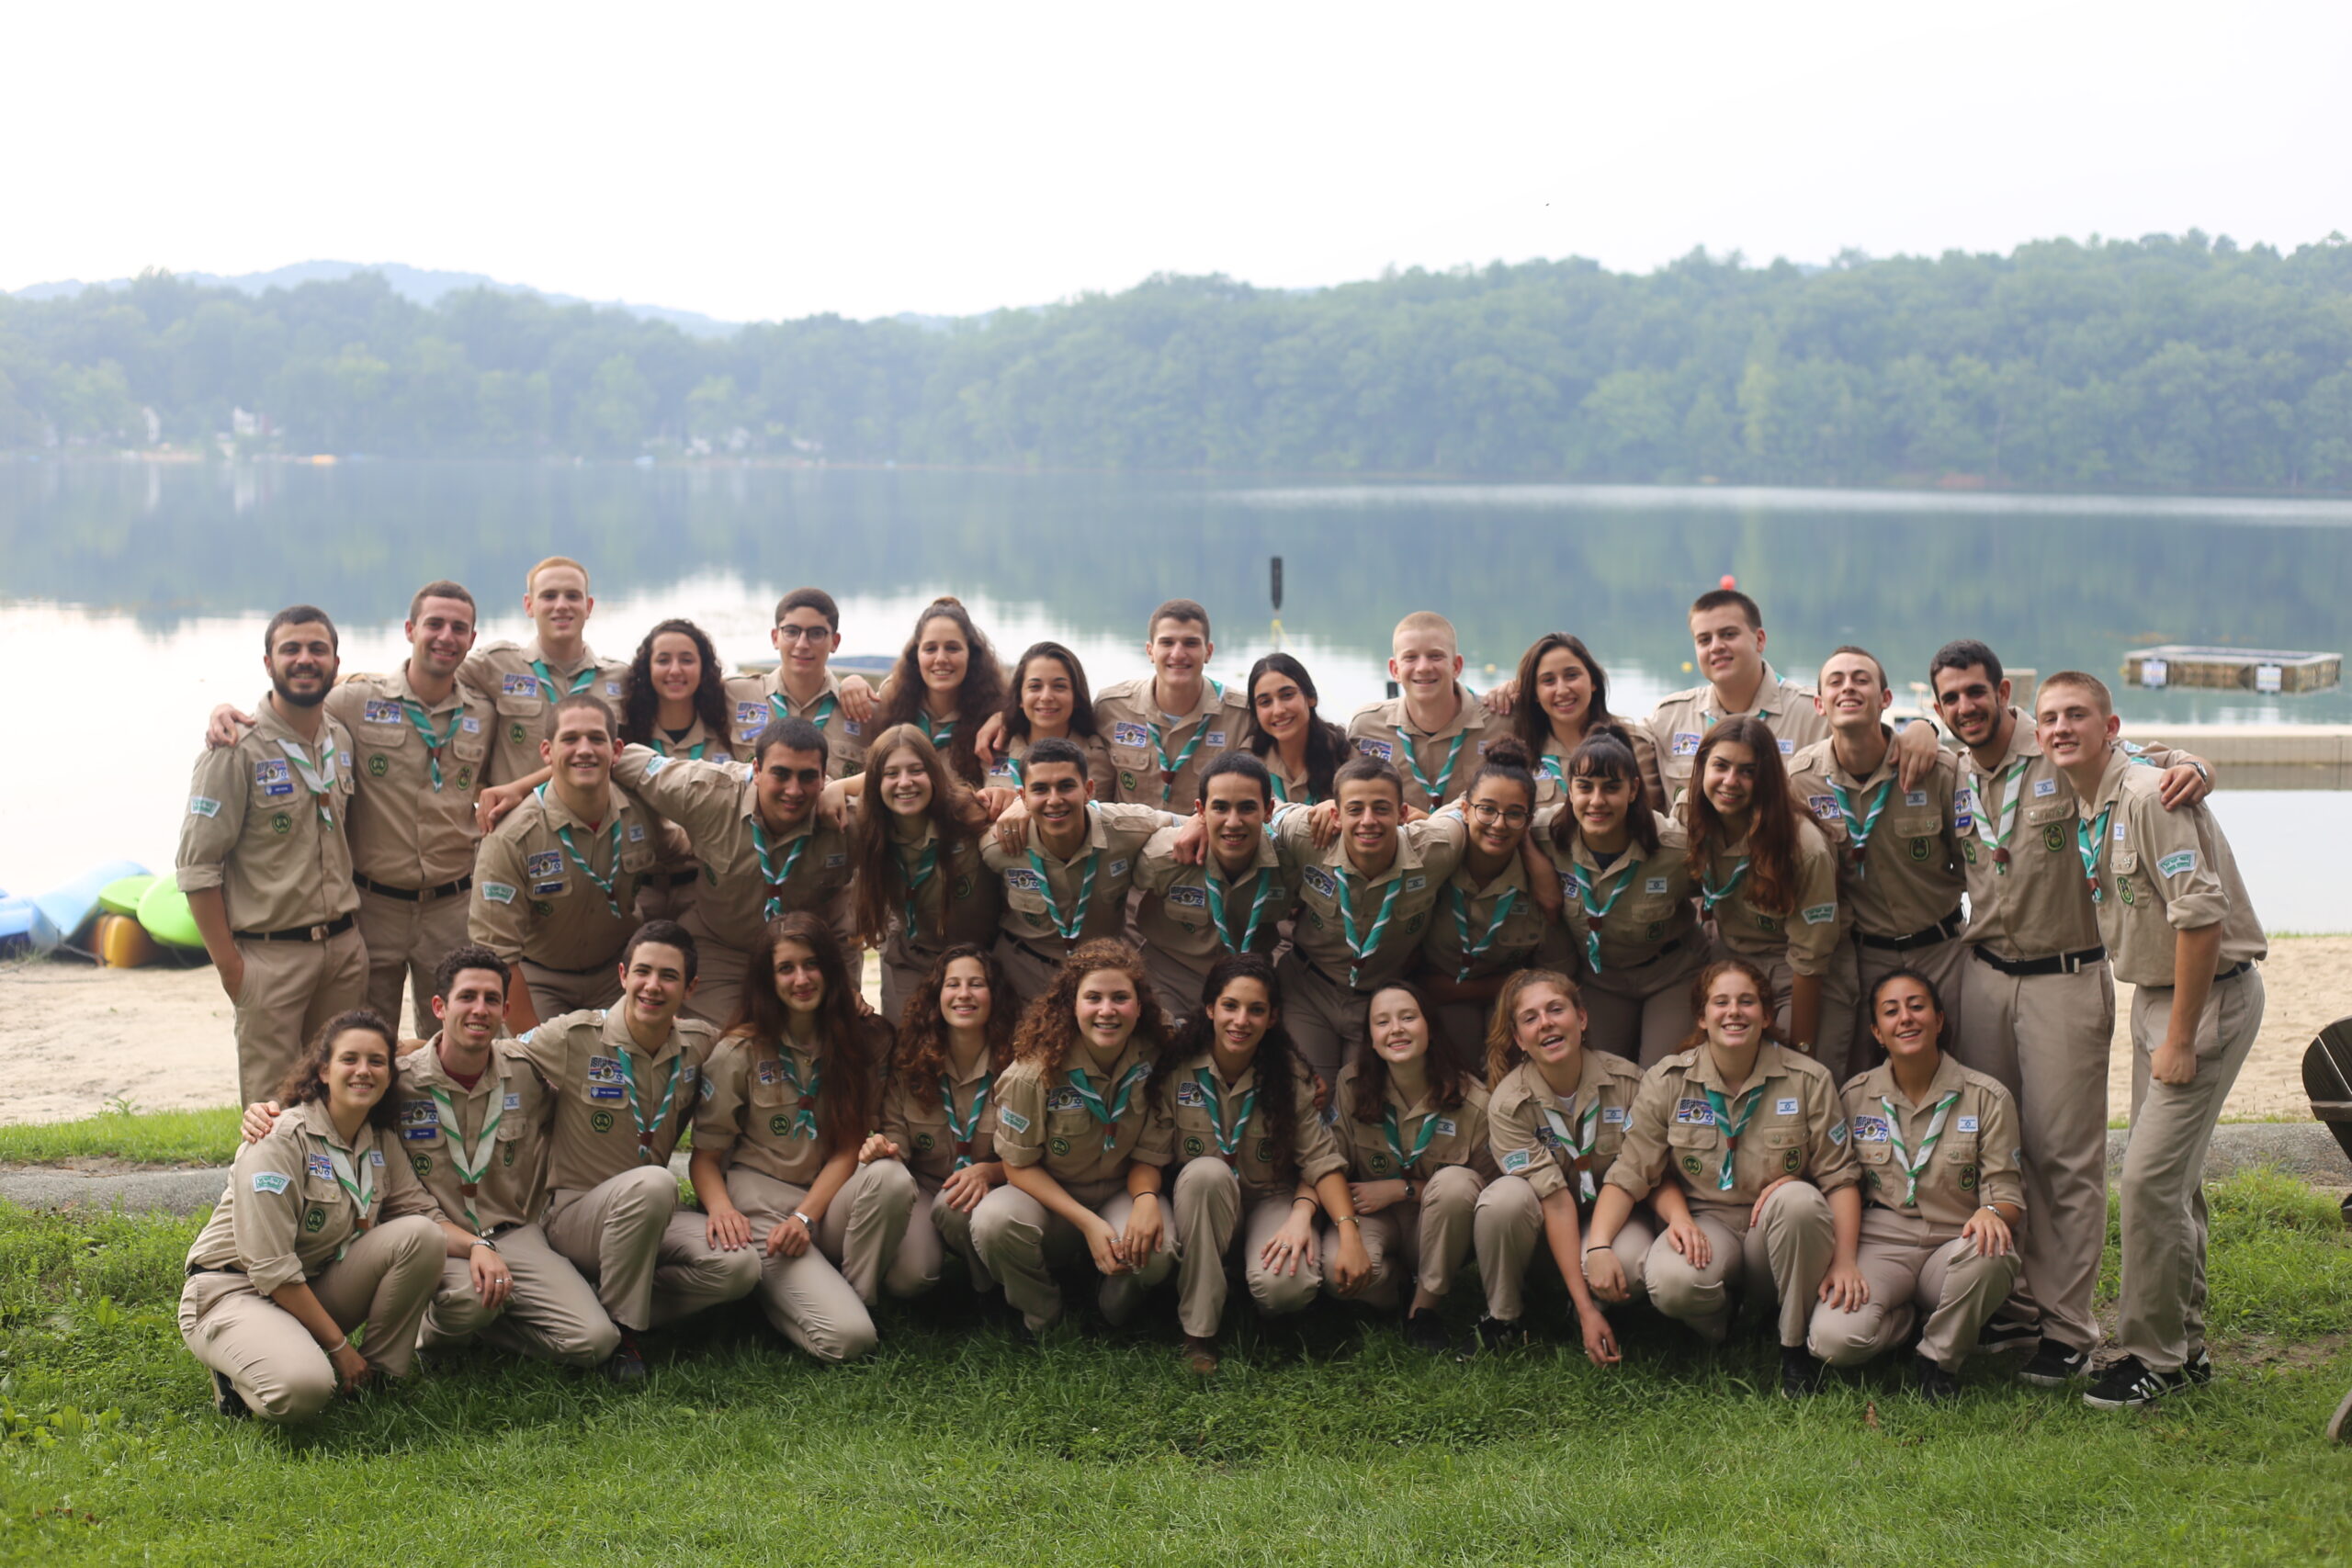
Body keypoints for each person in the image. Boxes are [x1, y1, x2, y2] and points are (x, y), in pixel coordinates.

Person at [1928, 638, 2212, 1390]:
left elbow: (2154, 762)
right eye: (1950, 698)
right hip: (1984, 977)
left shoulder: (2059, 744)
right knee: (1994, 1146)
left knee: (2064, 1158)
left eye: (1976, 692)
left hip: (2064, 975)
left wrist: (2197, 763)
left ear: (2004, 692)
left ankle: (2066, 1327)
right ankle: (2014, 1304)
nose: (1965, 707)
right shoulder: (1951, 769)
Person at [2038, 671, 2266, 1409]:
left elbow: (2201, 919)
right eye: (2050, 718)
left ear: (2110, 727)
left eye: (2077, 714)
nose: (2061, 727)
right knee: (2173, 1179)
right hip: (2157, 996)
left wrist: (2181, 1037)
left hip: (2204, 999)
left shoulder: (2144, 796)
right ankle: (2186, 1347)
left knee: (2146, 1181)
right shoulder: (2095, 791)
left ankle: (2152, 1356)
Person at [237, 945, 620, 1369]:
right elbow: (331, 1099)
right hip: (436, 1243)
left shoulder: (526, 1073)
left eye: (491, 999)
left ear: (506, 1010)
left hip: (514, 1233)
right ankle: (441, 1326)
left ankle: (490, 1327)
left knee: (594, 1341)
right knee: (470, 1302)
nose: (479, 1009)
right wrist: (268, 1111)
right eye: (467, 997)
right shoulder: (398, 1079)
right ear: (439, 1006)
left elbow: (580, 1121)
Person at [201, 584, 497, 1032]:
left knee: (451, 1039)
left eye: (459, 628)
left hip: (452, 907)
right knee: (365, 1039)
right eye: (434, 624)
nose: (445, 636)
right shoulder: (356, 702)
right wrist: (226, 712)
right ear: (410, 629)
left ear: (473, 639)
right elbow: (293, 703)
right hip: (373, 908)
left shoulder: (484, 713)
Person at [1584, 958, 1863, 1397]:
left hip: (1775, 1228)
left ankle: (1793, 1347)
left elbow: (1840, 1179)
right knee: (1671, 1281)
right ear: (1702, 1016)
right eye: (1721, 1002)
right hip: (1707, 1225)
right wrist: (1599, 1244)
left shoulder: (1807, 1079)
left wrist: (1845, 1259)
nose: (1734, 1011)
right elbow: (1632, 1173)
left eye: (1747, 1001)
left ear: (1766, 1015)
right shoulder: (1669, 1080)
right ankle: (1721, 1323)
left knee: (1799, 1201)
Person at [179, 1011, 447, 1421]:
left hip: (309, 1283)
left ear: (390, 1076)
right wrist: (339, 1347)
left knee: (422, 1235)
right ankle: (234, 1380)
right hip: (233, 1290)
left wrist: (482, 1247)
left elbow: (423, 1213)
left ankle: (376, 1379)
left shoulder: (379, 1140)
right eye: (349, 1059)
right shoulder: (278, 1137)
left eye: (377, 1061)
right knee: (303, 1391)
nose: (363, 1070)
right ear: (323, 1071)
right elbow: (270, 1269)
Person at [526, 922, 761, 1382]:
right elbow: (494, 1056)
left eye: (669, 976)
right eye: (643, 972)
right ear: (623, 975)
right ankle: (623, 1334)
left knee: (739, 1266)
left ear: (690, 988)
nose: (653, 985)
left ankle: (592, 1300)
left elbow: (757, 1046)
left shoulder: (699, 1045)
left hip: (654, 1214)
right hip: (574, 1216)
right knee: (655, 1182)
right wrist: (415, 1051)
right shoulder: (574, 1036)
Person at [692, 915, 910, 1364]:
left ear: (831, 968)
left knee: (890, 1177)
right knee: (848, 1341)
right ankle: (779, 1293)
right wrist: (722, 1209)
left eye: (811, 964)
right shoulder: (738, 1052)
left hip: (824, 1200)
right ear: (767, 979)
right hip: (763, 1209)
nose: (802, 979)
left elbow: (849, 1147)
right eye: (786, 968)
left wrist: (805, 1218)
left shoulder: (856, 1042)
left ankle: (857, 1297)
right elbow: (705, 1157)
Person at [176, 604, 367, 1105]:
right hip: (269, 957)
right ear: (268, 663)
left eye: (317, 650)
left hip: (343, 952)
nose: (305, 660)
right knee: (274, 1107)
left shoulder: (340, 738)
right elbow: (197, 869)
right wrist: (232, 969)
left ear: (335, 663)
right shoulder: (234, 750)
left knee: (342, 1101)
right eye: (291, 649)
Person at [1805, 968, 2023, 1401]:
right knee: (1832, 1344)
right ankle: (1906, 1323)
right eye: (1891, 1011)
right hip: (1880, 1243)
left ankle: (1937, 1359)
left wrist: (1991, 1211)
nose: (1905, 1018)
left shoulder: (1987, 1097)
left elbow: (2007, 1195)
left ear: (1938, 1020)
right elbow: (1836, 1180)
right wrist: (1843, 1259)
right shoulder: (1854, 1096)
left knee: (1994, 1252)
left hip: (1953, 1243)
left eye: (1917, 1006)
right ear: (1877, 1032)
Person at [1157, 954, 1354, 1374]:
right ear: (1209, 1008)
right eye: (1230, 1006)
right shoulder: (1176, 1067)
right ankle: (1199, 1333)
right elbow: (1149, 1155)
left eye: (1256, 1010)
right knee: (1206, 1173)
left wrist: (1343, 1230)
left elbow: (1321, 1160)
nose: (1241, 1020)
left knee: (1287, 1286)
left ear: (1273, 1018)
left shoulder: (1289, 1074)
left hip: (1269, 1198)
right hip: (1204, 1203)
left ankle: (1260, 1302)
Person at [971, 940, 1177, 1336]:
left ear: (1139, 1006)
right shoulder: (1034, 1072)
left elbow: (1149, 1154)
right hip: (1052, 1200)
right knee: (994, 1221)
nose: (1107, 1010)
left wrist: (1146, 1200)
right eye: (1093, 998)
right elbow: (1017, 1167)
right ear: (1072, 1005)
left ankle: (1111, 1309)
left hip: (1120, 1190)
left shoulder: (1155, 1058)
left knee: (1158, 1250)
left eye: (1120, 998)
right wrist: (1087, 1224)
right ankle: (1043, 1314)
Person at [1786, 647, 1970, 1080]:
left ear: (1886, 699)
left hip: (1942, 950)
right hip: (1861, 957)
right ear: (1819, 704)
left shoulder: (1936, 769)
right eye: (1836, 681)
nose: (1848, 687)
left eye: (1861, 679)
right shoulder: (1800, 780)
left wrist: (1926, 726)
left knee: (1957, 1068)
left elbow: (1972, 864)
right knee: (1859, 1074)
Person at [608, 717, 856, 1027]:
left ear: (823, 777)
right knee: (726, 1045)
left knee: (825, 1042)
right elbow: (623, 757)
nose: (794, 790)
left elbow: (901, 780)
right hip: (723, 948)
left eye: (807, 776)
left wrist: (844, 785)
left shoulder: (846, 819)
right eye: (780, 774)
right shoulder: (706, 792)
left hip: (809, 958)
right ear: (757, 770)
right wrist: (544, 778)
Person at [1474, 969, 1647, 1363]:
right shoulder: (1509, 1103)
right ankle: (1506, 1316)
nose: (1546, 1023)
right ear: (1519, 1039)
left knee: (1632, 1264)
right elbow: (1554, 1202)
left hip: (1613, 1221)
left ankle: (1595, 1299)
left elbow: (1645, 1173)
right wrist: (1587, 1310)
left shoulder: (1628, 1082)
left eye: (1556, 1009)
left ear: (1581, 1018)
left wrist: (1600, 1245)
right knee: (1503, 1200)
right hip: (1543, 1231)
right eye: (1530, 1018)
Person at [1634, 586, 1936, 811]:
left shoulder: (1815, 713)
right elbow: (1618, 739)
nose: (1716, 647)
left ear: (1760, 640)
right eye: (1704, 640)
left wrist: (1924, 728)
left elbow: (1875, 743)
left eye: (1728, 634)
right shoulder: (1670, 718)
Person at [1271, 754, 1467, 1089]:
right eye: (1355, 809)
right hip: (1308, 990)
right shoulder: (1309, 833)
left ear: (1402, 814)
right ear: (1336, 815)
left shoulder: (1437, 847)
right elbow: (1267, 808)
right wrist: (1194, 825)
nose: (1368, 821)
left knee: (1363, 1101)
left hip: (1379, 1000)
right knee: (1308, 1094)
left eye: (1381, 808)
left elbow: (1468, 806)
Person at [468, 694, 661, 1033]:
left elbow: (682, 858)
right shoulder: (511, 837)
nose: (584, 750)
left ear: (616, 750)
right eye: (570, 739)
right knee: (543, 1062)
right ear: (547, 751)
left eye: (596, 739)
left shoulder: (641, 813)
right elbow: (498, 957)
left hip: (617, 974)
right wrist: (534, 1048)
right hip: (540, 979)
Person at [1323, 979, 1490, 1353]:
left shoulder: (1473, 1101)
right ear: (1371, 1038)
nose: (1396, 1029)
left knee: (1456, 1184)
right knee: (1337, 1275)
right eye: (1382, 1022)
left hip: (1435, 1226)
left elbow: (1486, 1191)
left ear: (1430, 1027)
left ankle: (1422, 1312)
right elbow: (1331, 1159)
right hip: (1372, 1216)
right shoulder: (1352, 1084)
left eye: (1408, 1017)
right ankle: (1396, 1289)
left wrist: (1403, 1189)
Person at [1534, 727, 1704, 1066]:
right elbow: (1484, 814)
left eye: (1612, 788)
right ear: (1570, 789)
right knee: (1601, 1077)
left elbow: (1723, 883)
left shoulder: (1674, 848)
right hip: (1600, 978)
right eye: (1585, 787)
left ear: (1633, 790)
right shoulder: (1543, 834)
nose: (1597, 801)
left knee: (1662, 1076)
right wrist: (1533, 862)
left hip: (1670, 974)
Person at [1680, 717, 1847, 1057]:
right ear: (1702, 768)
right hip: (1730, 959)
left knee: (1799, 1070)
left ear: (1767, 780)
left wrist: (1801, 1050)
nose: (1730, 781)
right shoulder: (1690, 816)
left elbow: (1810, 958)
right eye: (1721, 766)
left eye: (1747, 772)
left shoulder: (1804, 848)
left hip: (1798, 970)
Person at [861, 944, 1019, 1300]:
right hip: (926, 1186)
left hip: (995, 1187)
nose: (964, 994)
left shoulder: (1016, 1064)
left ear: (995, 995)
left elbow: (1033, 1152)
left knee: (958, 1208)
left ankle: (990, 1289)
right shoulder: (910, 1061)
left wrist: (990, 1172)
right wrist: (885, 1148)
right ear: (937, 996)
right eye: (953, 985)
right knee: (909, 1280)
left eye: (976, 984)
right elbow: (896, 1135)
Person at [978, 738, 1177, 1000]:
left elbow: (1196, 822)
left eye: (1066, 786)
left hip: (1102, 974)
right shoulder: (997, 846)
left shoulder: (1126, 828)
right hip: (1025, 971)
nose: (1054, 800)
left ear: (1088, 790)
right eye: (1040, 789)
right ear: (1023, 797)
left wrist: (1198, 824)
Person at [1133, 751, 1302, 1020]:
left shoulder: (1290, 863)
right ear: (1201, 811)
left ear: (1268, 811)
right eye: (1220, 808)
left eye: (1247, 808)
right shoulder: (1164, 856)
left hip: (1250, 985)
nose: (1233, 823)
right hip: (1171, 979)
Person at [851, 725, 1002, 1021]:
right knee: (907, 1041)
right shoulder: (869, 829)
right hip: (913, 957)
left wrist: (1017, 804)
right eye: (891, 773)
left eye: (916, 770)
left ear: (934, 774)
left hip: (980, 961)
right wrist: (836, 788)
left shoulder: (971, 818)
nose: (904, 782)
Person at [464, 556, 631, 816]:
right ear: (529, 605)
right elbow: (426, 676)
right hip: (517, 828)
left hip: (596, 829)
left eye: (572, 596)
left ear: (588, 606)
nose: (561, 606)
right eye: (549, 596)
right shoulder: (495, 666)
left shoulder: (621, 679)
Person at [1416, 740, 1558, 1045]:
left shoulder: (1539, 876)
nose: (1499, 824)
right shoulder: (1438, 861)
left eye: (1514, 814)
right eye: (1487, 810)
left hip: (1509, 995)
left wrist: (1468, 990)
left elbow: (1553, 971)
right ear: (1465, 810)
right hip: (1431, 994)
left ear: (1529, 822)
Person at [1084, 599, 1256, 813]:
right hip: (1129, 834)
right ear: (1150, 651)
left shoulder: (1241, 716)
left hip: (1207, 833)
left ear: (1208, 652)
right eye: (1167, 643)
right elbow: (1096, 801)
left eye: (1191, 643)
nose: (1178, 654)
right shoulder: (1112, 708)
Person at [622, 617, 738, 923]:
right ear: (647, 668)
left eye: (687, 660)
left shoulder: (727, 736)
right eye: (663, 660)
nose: (675, 670)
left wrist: (853, 683)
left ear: (704, 667)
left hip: (704, 892)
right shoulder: (628, 737)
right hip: (639, 891)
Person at [1344, 611, 1513, 812]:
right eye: (1410, 658)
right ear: (1395, 670)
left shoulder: (1502, 720)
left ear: (1456, 666)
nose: (1423, 667)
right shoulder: (1366, 727)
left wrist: (1521, 687)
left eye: (1435, 656)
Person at [720, 587, 878, 781]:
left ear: (835, 642)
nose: (802, 644)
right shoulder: (734, 694)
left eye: (816, 633)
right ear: (775, 637)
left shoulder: (865, 711)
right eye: (792, 632)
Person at [874, 595, 1005, 786]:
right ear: (916, 656)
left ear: (971, 655)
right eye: (930, 649)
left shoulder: (994, 714)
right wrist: (852, 683)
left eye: (952, 648)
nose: (941, 658)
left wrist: (1007, 718)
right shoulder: (890, 702)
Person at [984, 640, 1115, 794]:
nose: (1046, 697)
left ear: (1076, 697)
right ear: (1020, 697)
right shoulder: (994, 746)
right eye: (1035, 687)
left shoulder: (1098, 757)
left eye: (1059, 686)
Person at [1509, 632, 1617, 806]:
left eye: (1572, 675)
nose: (1562, 690)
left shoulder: (1631, 743)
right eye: (1548, 680)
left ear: (1593, 681)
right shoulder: (1520, 754)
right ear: (1534, 693)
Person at [1244, 651, 1351, 808]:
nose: (1278, 710)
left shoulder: (1345, 755)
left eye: (1287, 695)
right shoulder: (1247, 761)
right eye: (1265, 702)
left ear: (1311, 697)